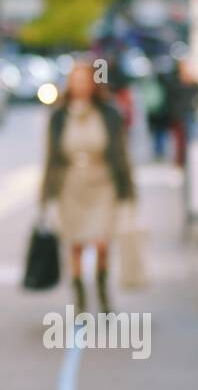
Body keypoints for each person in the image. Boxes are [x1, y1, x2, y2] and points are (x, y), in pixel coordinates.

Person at [40, 59, 136, 315]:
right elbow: (51, 157)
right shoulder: (59, 116)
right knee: (76, 243)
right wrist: (46, 197)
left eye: (85, 80)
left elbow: (121, 154)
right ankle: (81, 300)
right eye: (76, 80)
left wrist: (128, 193)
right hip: (71, 186)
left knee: (102, 241)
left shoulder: (109, 113)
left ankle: (104, 296)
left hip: (103, 184)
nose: (80, 85)